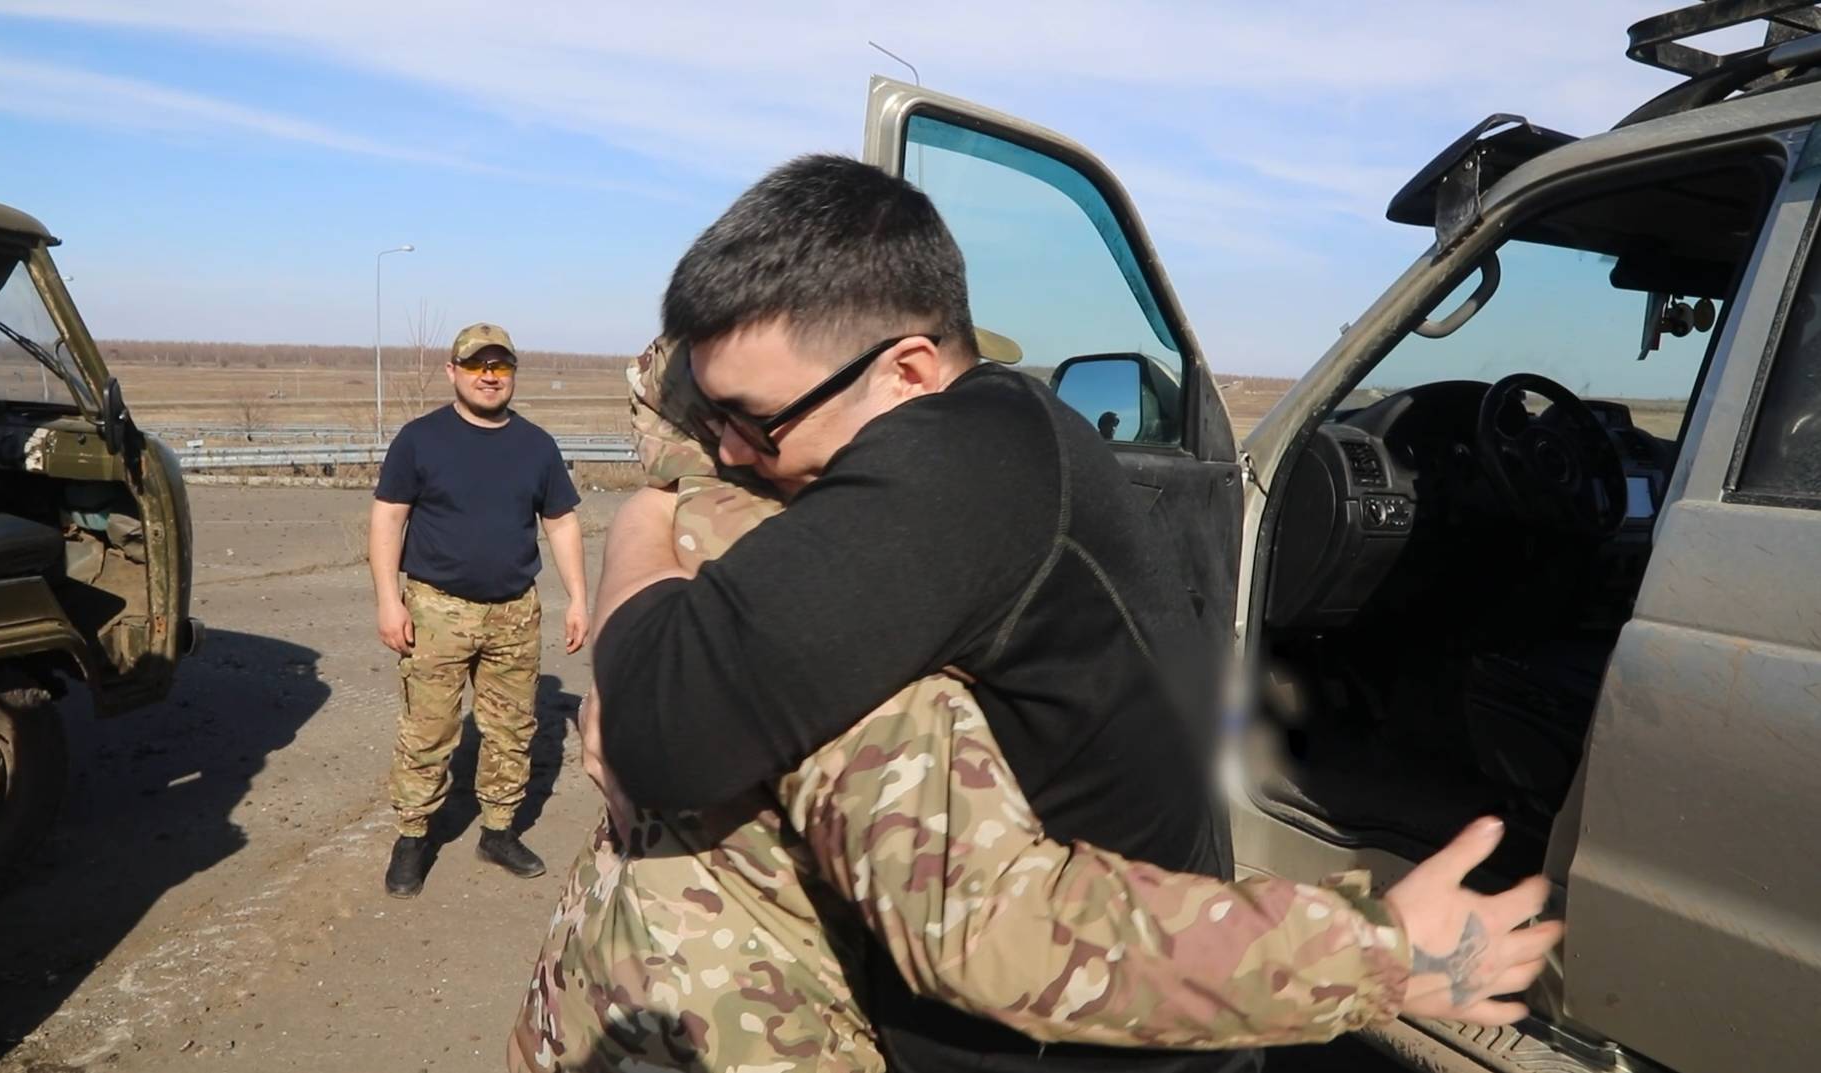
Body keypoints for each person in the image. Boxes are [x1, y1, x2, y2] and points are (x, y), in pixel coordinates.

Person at [577, 156, 1560, 1072]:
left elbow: (664, 727)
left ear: (909, 373)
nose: (733, 449)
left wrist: (646, 527)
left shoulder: (960, 469)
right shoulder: (984, 431)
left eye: (755, 421)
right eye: (712, 424)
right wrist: (670, 504)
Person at [510, 337, 1437, 1073]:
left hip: (586, 998)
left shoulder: (687, 513)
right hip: (737, 1033)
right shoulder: (832, 607)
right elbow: (991, 930)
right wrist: (1367, 949)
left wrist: (646, 511)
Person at [369, 322, 589, 898]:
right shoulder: (419, 440)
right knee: (429, 730)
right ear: (453, 372)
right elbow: (388, 518)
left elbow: (561, 521)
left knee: (512, 730)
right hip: (436, 609)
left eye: (501, 367)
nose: (490, 377)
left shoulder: (536, 445)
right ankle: (413, 838)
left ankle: (498, 832)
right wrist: (389, 601)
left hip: (515, 611)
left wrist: (578, 598)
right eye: (477, 366)